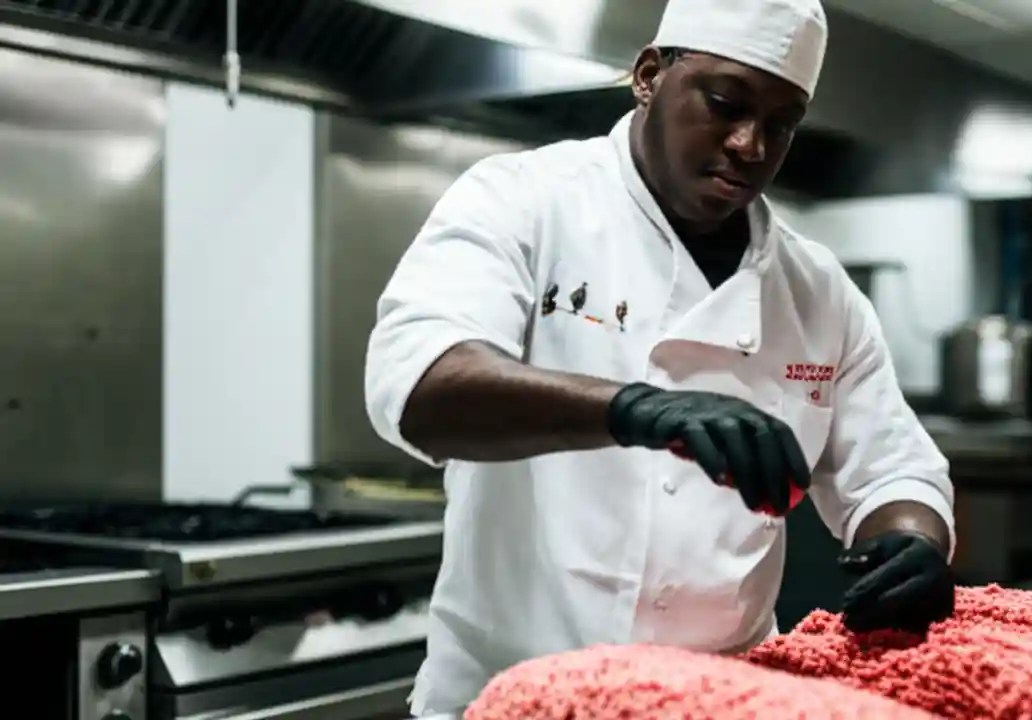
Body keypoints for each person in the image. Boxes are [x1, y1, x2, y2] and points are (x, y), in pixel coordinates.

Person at [364, 0, 957, 716]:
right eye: (725, 104)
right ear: (650, 74)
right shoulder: (523, 202)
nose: (750, 144)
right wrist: (634, 408)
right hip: (503, 699)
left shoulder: (817, 290)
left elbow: (894, 472)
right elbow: (424, 386)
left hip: (718, 703)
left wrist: (911, 542)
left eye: (781, 124)